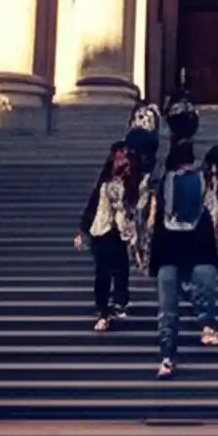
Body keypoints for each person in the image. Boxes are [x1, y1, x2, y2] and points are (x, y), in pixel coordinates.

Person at [150, 141, 218, 378]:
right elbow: (214, 207)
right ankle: (207, 325)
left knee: (167, 308)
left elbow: (149, 216)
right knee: (202, 289)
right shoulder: (201, 181)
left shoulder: (163, 182)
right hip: (199, 244)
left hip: (169, 248)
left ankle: (167, 356)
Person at [75, 142, 141, 331]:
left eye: (125, 155)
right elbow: (92, 205)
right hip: (101, 230)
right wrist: (82, 230)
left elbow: (133, 203)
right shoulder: (104, 182)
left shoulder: (131, 179)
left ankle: (119, 301)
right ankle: (103, 308)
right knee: (102, 271)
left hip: (119, 232)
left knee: (120, 268)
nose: (122, 159)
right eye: (119, 155)